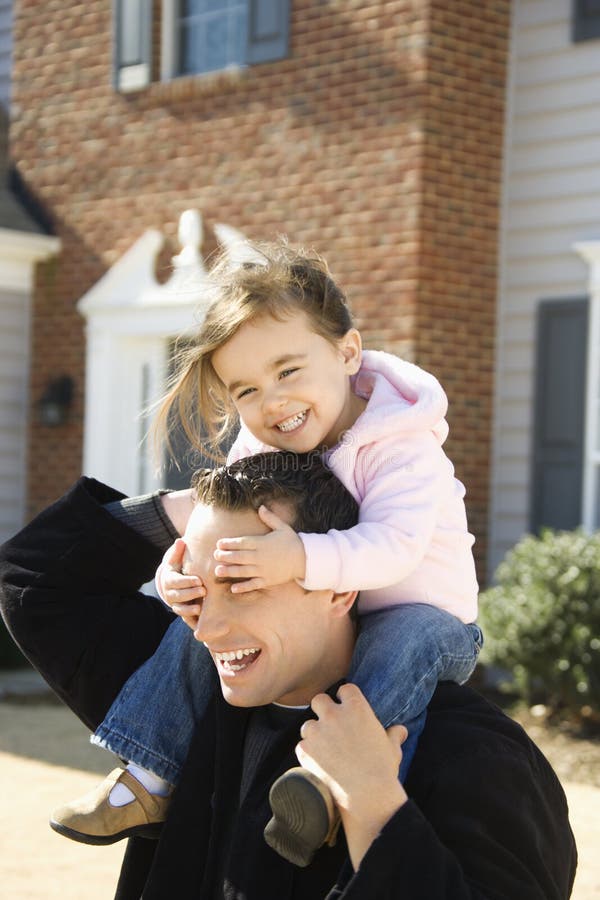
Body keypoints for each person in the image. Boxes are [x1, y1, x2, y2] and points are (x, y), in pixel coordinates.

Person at [47, 240, 483, 864]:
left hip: (430, 619)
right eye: (245, 390)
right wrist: (183, 578)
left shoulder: (400, 443)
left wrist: (296, 557)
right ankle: (149, 775)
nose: (271, 402)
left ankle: (331, 787)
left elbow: (395, 549)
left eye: (287, 371)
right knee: (205, 632)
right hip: (333, 609)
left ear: (347, 352)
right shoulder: (259, 445)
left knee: (398, 643)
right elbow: (219, 524)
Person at [0, 454, 577, 899]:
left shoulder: (471, 753)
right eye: (196, 589)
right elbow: (31, 578)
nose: (207, 629)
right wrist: (209, 505)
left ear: (338, 584)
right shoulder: (178, 702)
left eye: (244, 584)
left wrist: (375, 806)